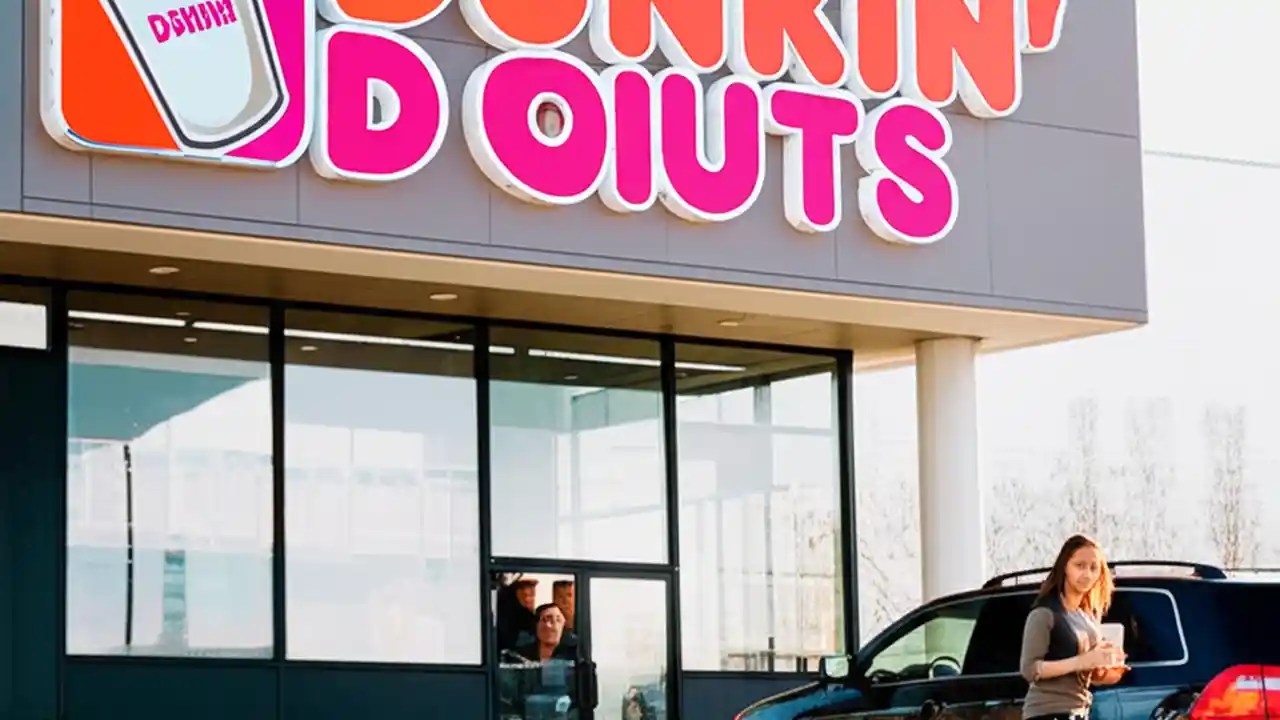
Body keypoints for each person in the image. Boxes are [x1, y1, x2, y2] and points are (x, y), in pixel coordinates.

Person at [1019, 534, 1129, 720]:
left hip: (1080, 711)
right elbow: (1029, 669)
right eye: (1079, 566)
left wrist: (1106, 670)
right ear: (1065, 567)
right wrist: (1083, 661)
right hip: (1047, 712)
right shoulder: (1045, 613)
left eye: (1094, 568)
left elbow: (1086, 673)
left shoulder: (1087, 618)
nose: (1087, 574)